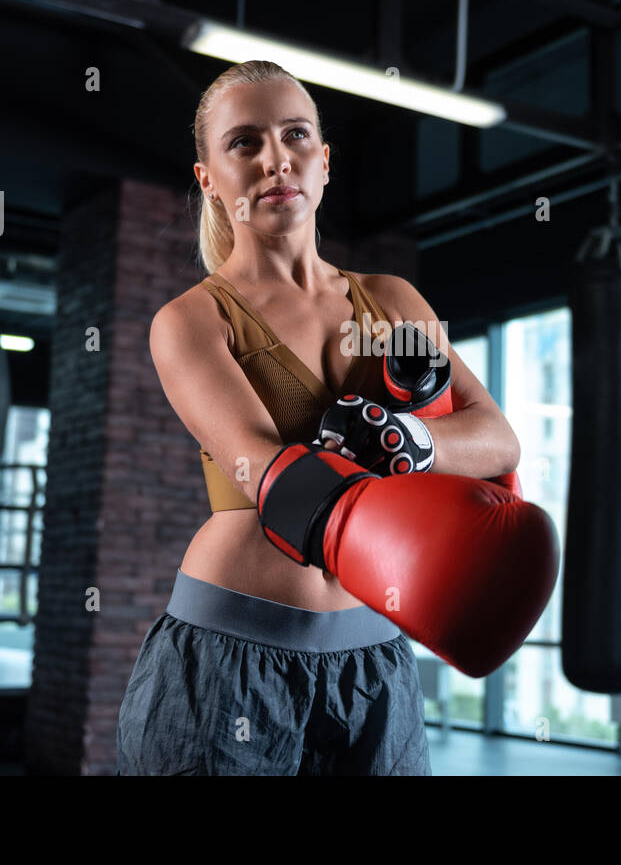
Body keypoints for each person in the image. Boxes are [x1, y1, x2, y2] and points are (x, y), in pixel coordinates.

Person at [115, 59, 522, 775]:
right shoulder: (192, 319)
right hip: (230, 651)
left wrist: (414, 439)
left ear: (324, 162)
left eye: (295, 134)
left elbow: (497, 438)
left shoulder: (392, 299)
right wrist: (384, 460)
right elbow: (267, 472)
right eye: (244, 142)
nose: (277, 157)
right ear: (209, 179)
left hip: (374, 658)